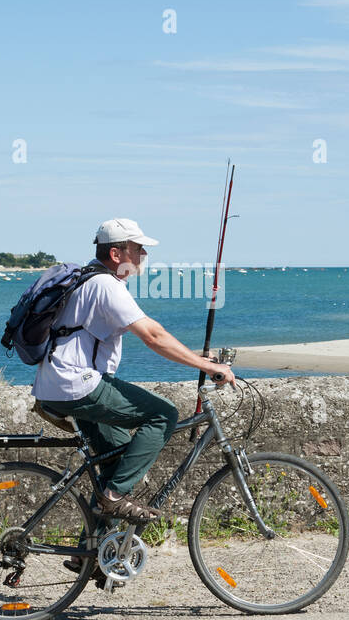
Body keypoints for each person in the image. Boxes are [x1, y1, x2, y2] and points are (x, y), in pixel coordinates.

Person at [33, 217, 236, 524]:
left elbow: (153, 335)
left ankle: (96, 547)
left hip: (56, 383)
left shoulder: (86, 278)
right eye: (138, 248)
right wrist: (207, 366)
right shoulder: (106, 285)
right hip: (79, 385)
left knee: (117, 461)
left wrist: (197, 358)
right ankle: (114, 498)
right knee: (163, 414)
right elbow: (153, 336)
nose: (144, 254)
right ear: (116, 254)